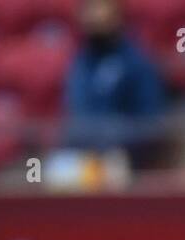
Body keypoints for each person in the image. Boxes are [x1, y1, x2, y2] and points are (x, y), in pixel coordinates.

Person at [61, 0, 166, 156]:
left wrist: (114, 142)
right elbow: (76, 115)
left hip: (126, 157)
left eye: (98, 7)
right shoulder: (81, 61)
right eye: (88, 9)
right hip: (84, 154)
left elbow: (149, 123)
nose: (93, 16)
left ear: (116, 14)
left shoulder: (137, 61)